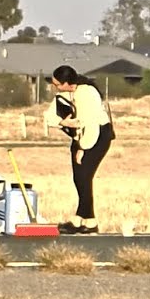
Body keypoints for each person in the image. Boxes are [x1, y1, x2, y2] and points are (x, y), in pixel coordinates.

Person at [50, 64, 114, 234]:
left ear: (67, 83)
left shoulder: (87, 94)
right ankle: (84, 220)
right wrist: (63, 122)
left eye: (57, 85)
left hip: (97, 137)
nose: (55, 88)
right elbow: (51, 115)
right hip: (81, 136)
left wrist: (82, 148)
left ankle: (87, 221)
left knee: (84, 177)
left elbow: (91, 125)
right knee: (79, 178)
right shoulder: (70, 92)